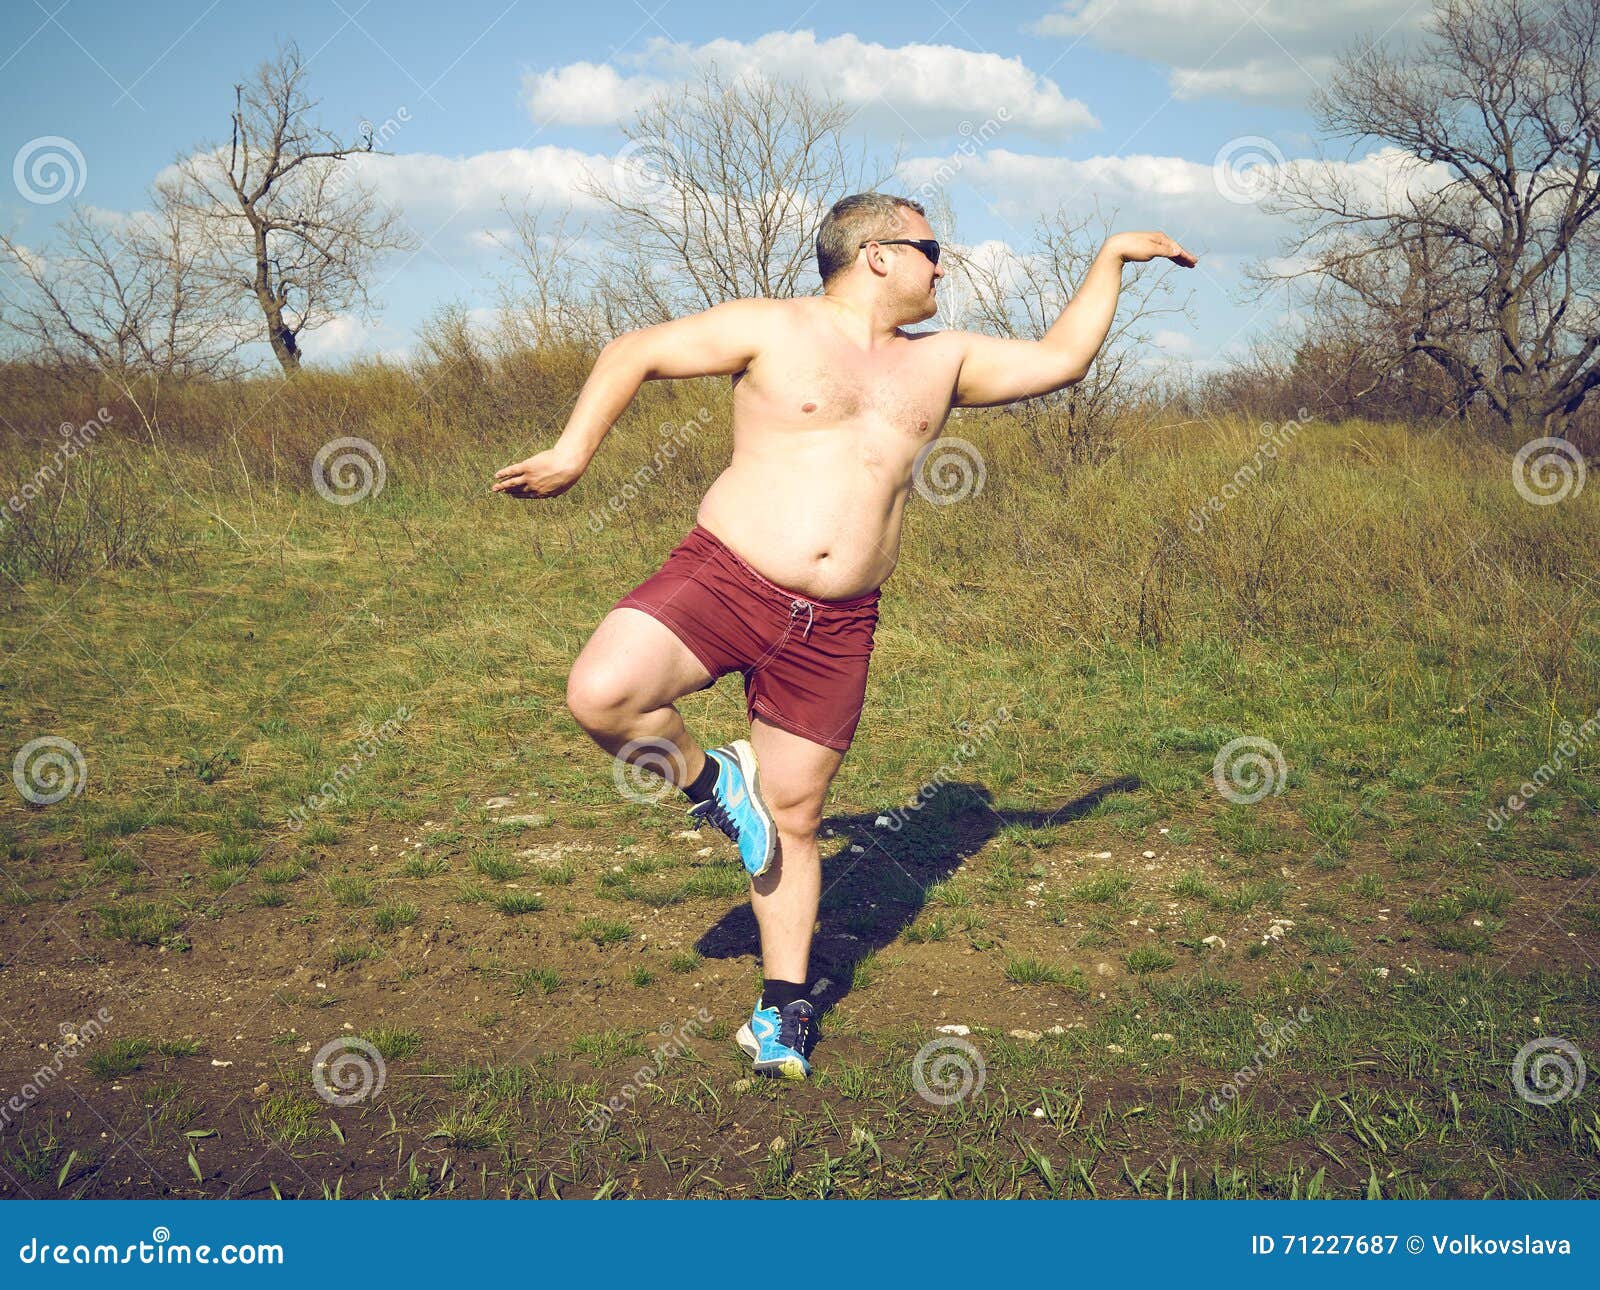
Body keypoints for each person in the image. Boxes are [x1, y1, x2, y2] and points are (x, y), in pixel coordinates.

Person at [493, 192, 1196, 1079]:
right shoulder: (772, 328)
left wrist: (1112, 257)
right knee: (604, 693)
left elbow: (1062, 360)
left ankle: (782, 1009)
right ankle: (714, 781)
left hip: (836, 624)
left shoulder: (943, 359)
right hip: (728, 578)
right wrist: (572, 452)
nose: (942, 265)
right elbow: (635, 349)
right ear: (877, 253)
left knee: (793, 816)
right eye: (931, 248)